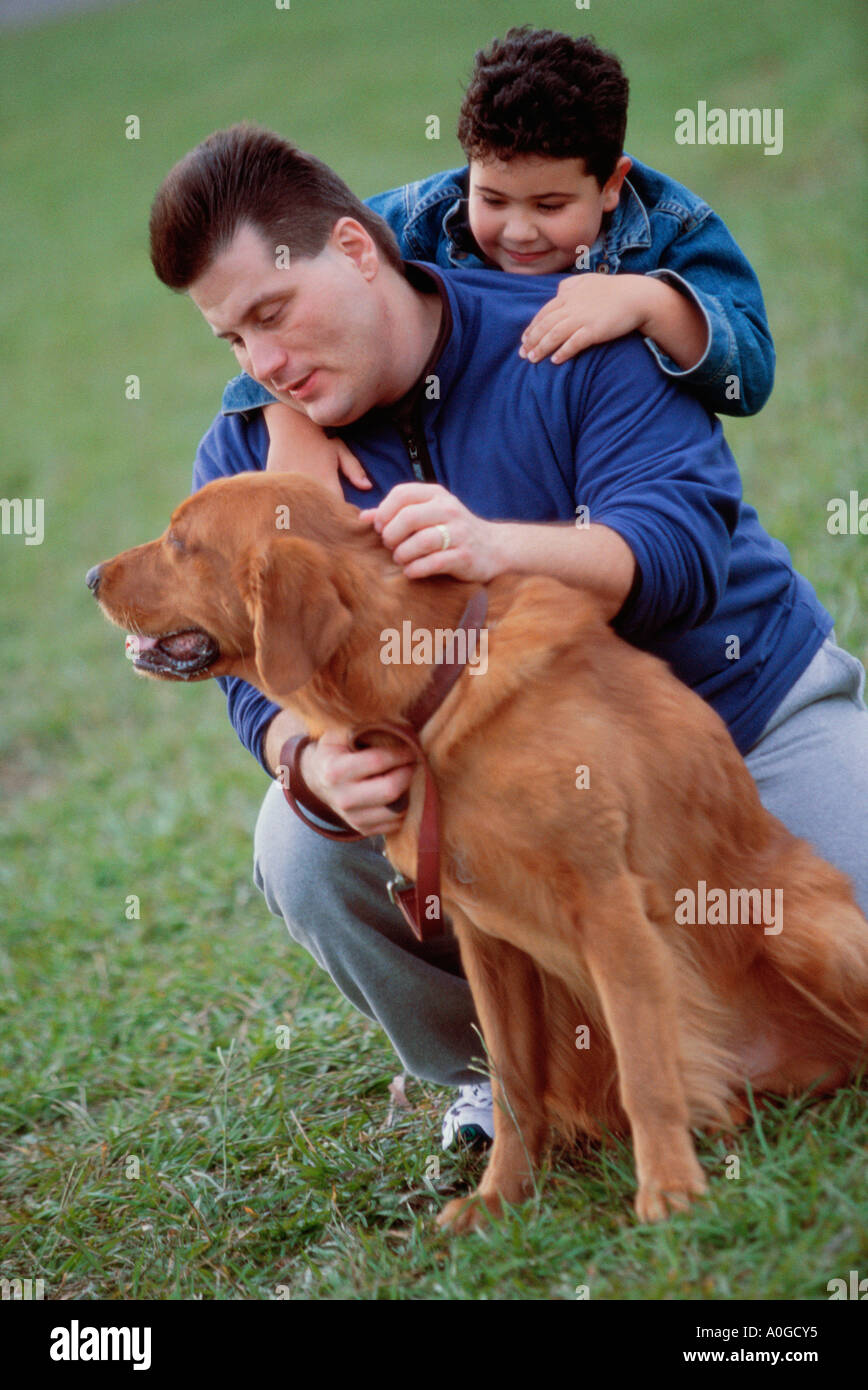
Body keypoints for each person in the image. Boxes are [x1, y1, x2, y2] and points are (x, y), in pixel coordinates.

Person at [147, 123, 868, 1148]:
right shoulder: (255, 447)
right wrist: (299, 752)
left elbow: (674, 558)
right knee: (297, 841)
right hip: (501, 789)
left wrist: (495, 545)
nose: (265, 362)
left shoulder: (571, 334)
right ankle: (494, 1075)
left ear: (358, 250)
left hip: (737, 729)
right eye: (231, 340)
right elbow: (246, 661)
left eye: (273, 313)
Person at [220, 27, 775, 497]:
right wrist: (291, 423)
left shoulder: (670, 226)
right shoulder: (413, 222)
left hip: (631, 472)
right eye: (492, 200)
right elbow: (285, 311)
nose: (518, 231)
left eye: (550, 206)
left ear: (611, 185)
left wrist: (649, 301)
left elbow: (748, 376)